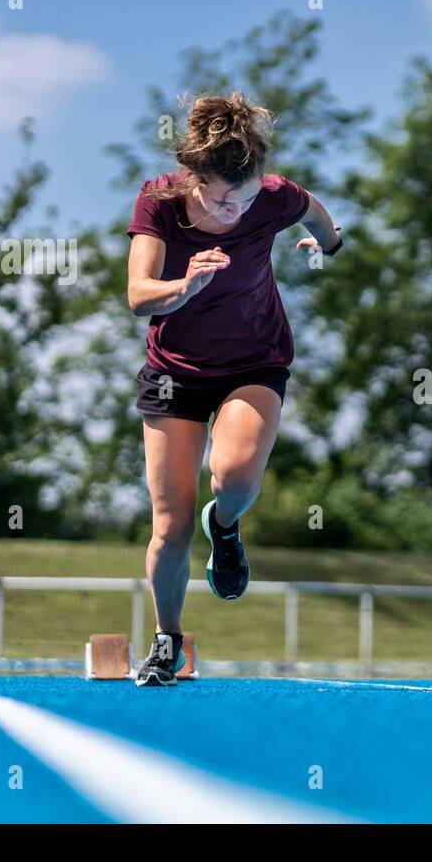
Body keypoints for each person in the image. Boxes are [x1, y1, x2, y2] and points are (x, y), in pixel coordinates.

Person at [125, 92, 342, 686]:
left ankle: (226, 526)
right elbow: (138, 295)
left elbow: (321, 220)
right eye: (222, 199)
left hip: (255, 360)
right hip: (175, 373)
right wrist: (184, 288)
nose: (233, 211)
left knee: (236, 476)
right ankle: (167, 639)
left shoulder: (274, 196)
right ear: (194, 178)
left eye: (244, 200)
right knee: (170, 525)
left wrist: (323, 247)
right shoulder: (158, 201)